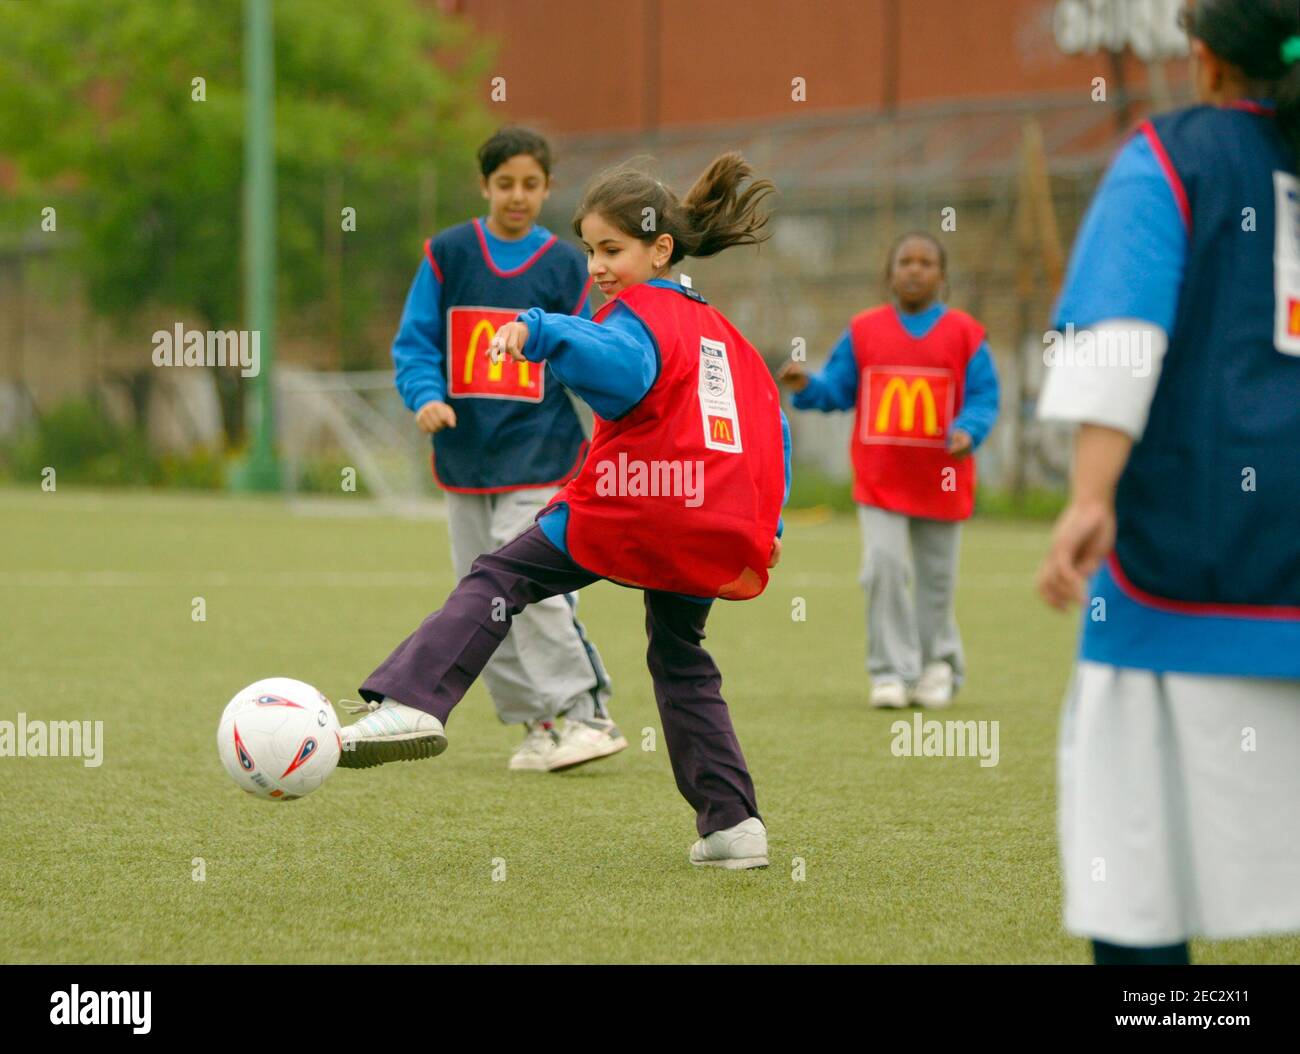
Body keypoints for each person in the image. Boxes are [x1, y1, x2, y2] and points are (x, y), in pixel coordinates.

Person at [341, 153, 790, 870]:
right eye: (589, 249)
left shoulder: (637, 316)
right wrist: (770, 525)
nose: (598, 266)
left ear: (660, 249)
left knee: (497, 578)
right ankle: (733, 825)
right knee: (682, 659)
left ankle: (413, 702)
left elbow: (620, 369)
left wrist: (541, 329)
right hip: (710, 520)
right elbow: (771, 431)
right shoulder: (724, 335)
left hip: (632, 504)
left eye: (612, 249)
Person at [1036, 0, 1300, 965]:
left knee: (1132, 856)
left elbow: (1119, 336)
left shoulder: (1173, 154)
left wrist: (1090, 495)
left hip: (1191, 555)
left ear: (1203, 58)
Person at [390, 125, 619, 772]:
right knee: (480, 595)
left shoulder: (565, 265)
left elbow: (592, 347)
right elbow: (415, 343)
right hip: (467, 458)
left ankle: (586, 714)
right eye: (505, 183)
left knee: (532, 585)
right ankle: (539, 724)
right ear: (484, 185)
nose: (517, 196)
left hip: (544, 455)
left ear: (547, 188)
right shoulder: (449, 254)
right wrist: (425, 395)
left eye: (531, 184)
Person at [779, 232, 999, 708]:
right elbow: (838, 390)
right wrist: (807, 385)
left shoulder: (965, 333)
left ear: (942, 276)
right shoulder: (863, 330)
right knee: (883, 567)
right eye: (905, 261)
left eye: (925, 262)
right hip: (881, 481)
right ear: (890, 274)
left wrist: (968, 429)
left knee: (936, 580)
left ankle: (937, 665)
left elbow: (984, 397)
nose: (915, 269)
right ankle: (890, 672)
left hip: (942, 480)